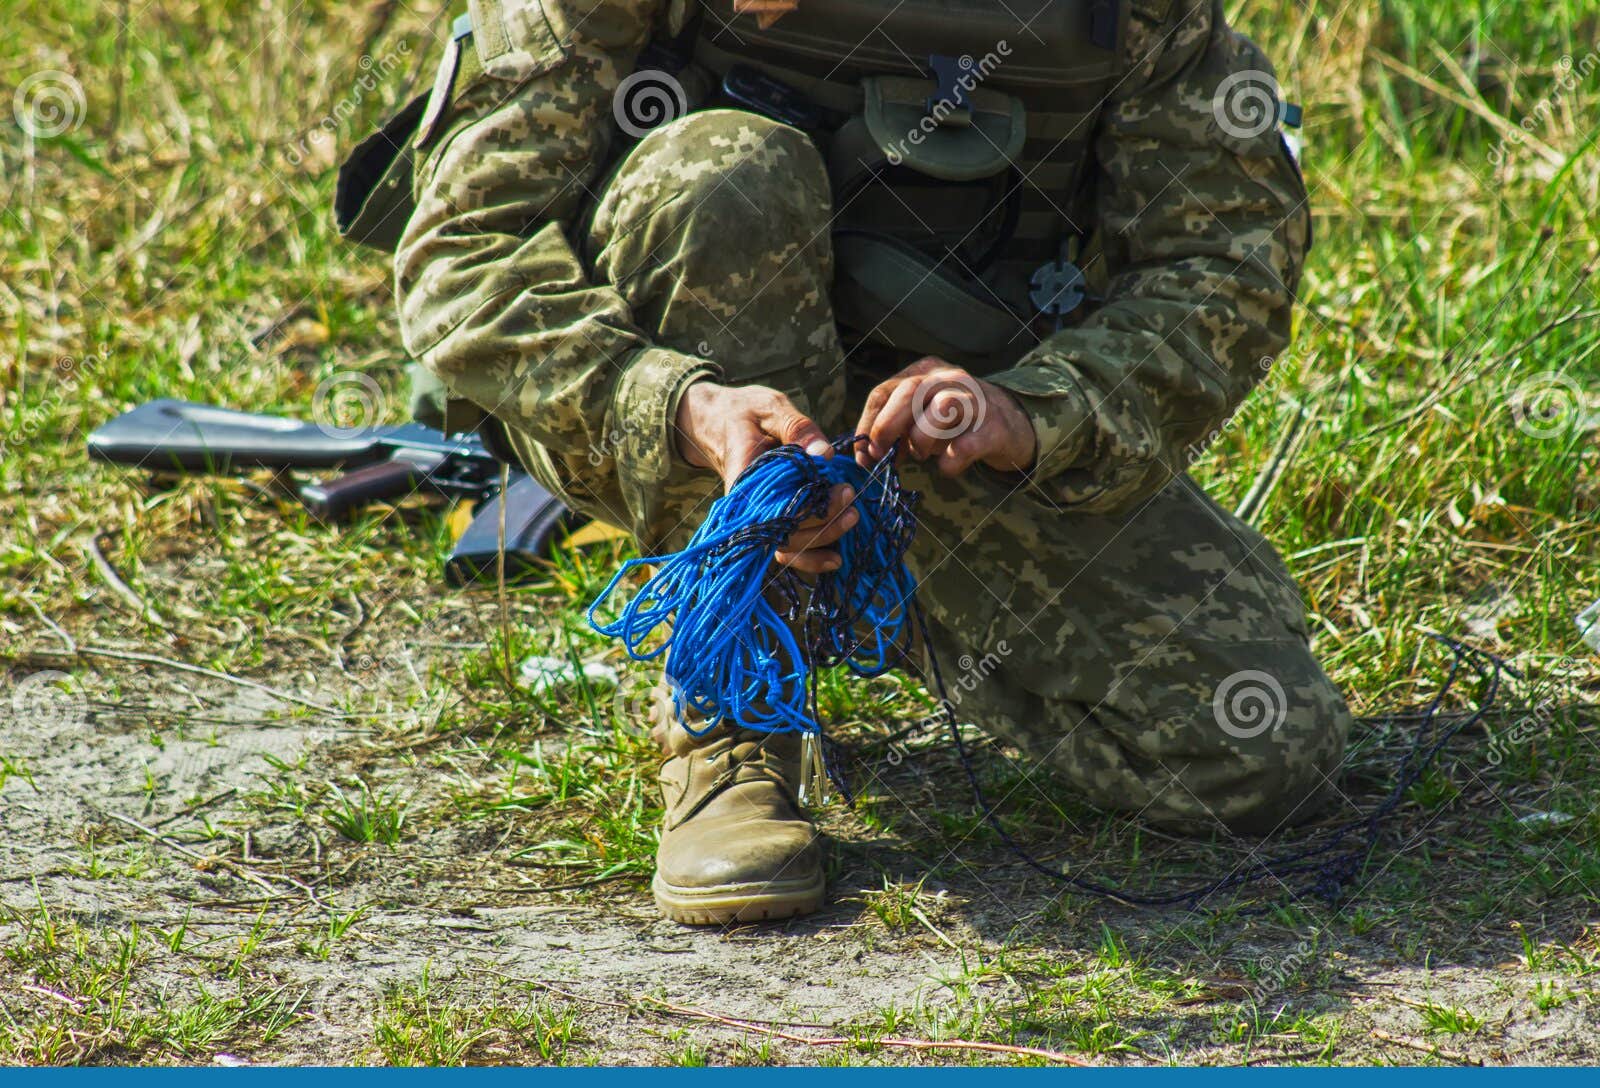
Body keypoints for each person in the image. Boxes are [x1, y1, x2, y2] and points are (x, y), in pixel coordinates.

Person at [394, 0, 1351, 925]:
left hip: (952, 434)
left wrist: (1038, 411)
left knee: (1258, 746)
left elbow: (1224, 264)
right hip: (703, 405)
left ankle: (879, 577)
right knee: (724, 172)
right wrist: (675, 405)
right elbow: (467, 254)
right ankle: (734, 704)